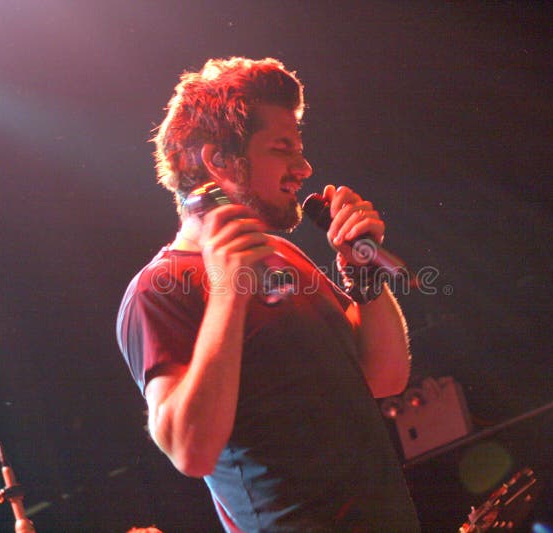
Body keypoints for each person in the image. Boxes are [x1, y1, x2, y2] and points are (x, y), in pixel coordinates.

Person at [116, 57, 420, 532]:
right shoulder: (157, 291)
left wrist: (363, 279)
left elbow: (383, 378)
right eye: (283, 149)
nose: (304, 168)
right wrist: (226, 293)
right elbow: (188, 450)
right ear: (218, 161)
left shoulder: (282, 255)